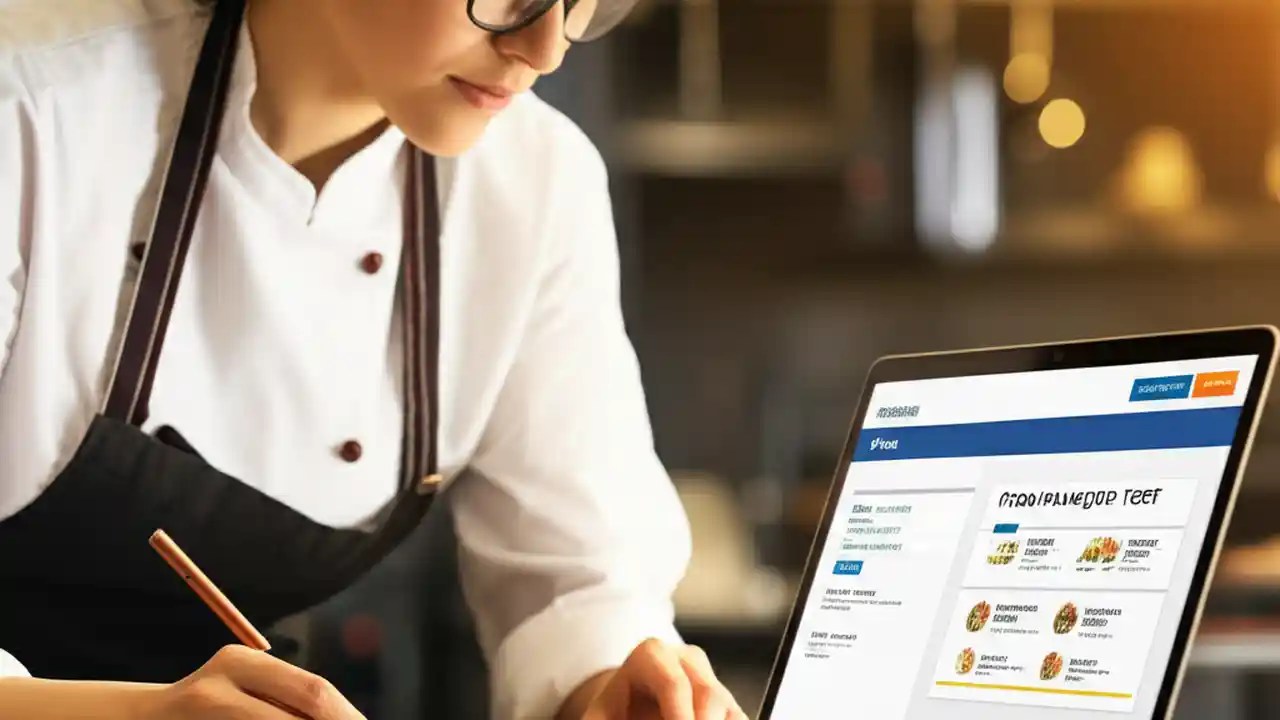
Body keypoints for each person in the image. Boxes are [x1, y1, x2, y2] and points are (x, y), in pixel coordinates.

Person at [0, 0, 748, 717]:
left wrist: (618, 691)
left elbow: (574, 584)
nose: (544, 49)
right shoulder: (29, 102)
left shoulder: (532, 182)